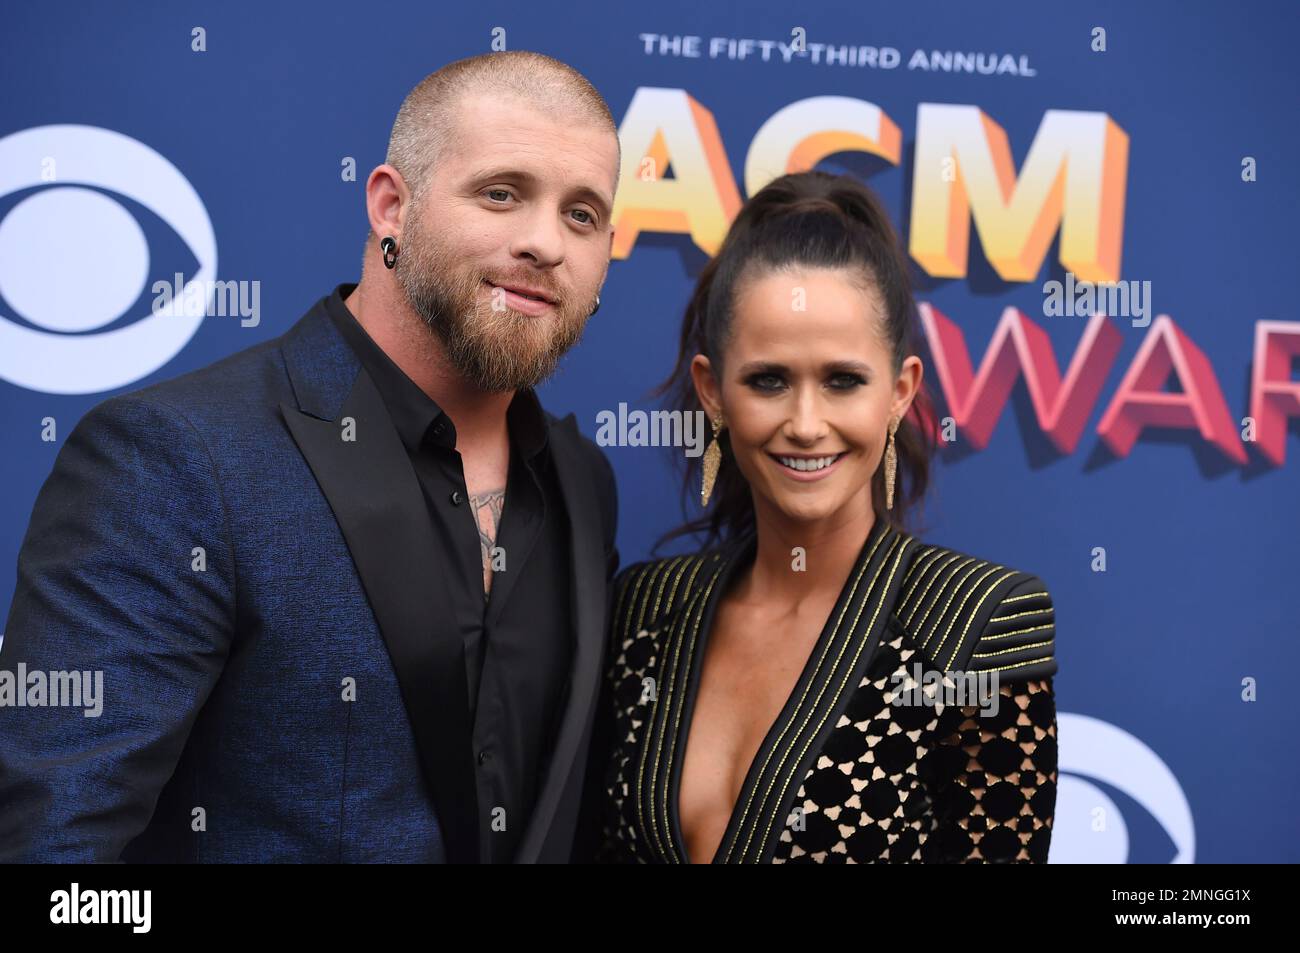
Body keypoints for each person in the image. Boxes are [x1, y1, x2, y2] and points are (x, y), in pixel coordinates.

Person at [0, 50, 621, 863]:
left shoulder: (579, 478)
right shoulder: (176, 458)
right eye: (501, 193)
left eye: (582, 214)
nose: (546, 242)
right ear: (391, 206)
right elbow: (54, 857)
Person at [585, 171, 1058, 863]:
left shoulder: (974, 623)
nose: (806, 425)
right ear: (713, 392)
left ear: (900, 392)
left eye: (843, 380)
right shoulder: (643, 613)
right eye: (768, 380)